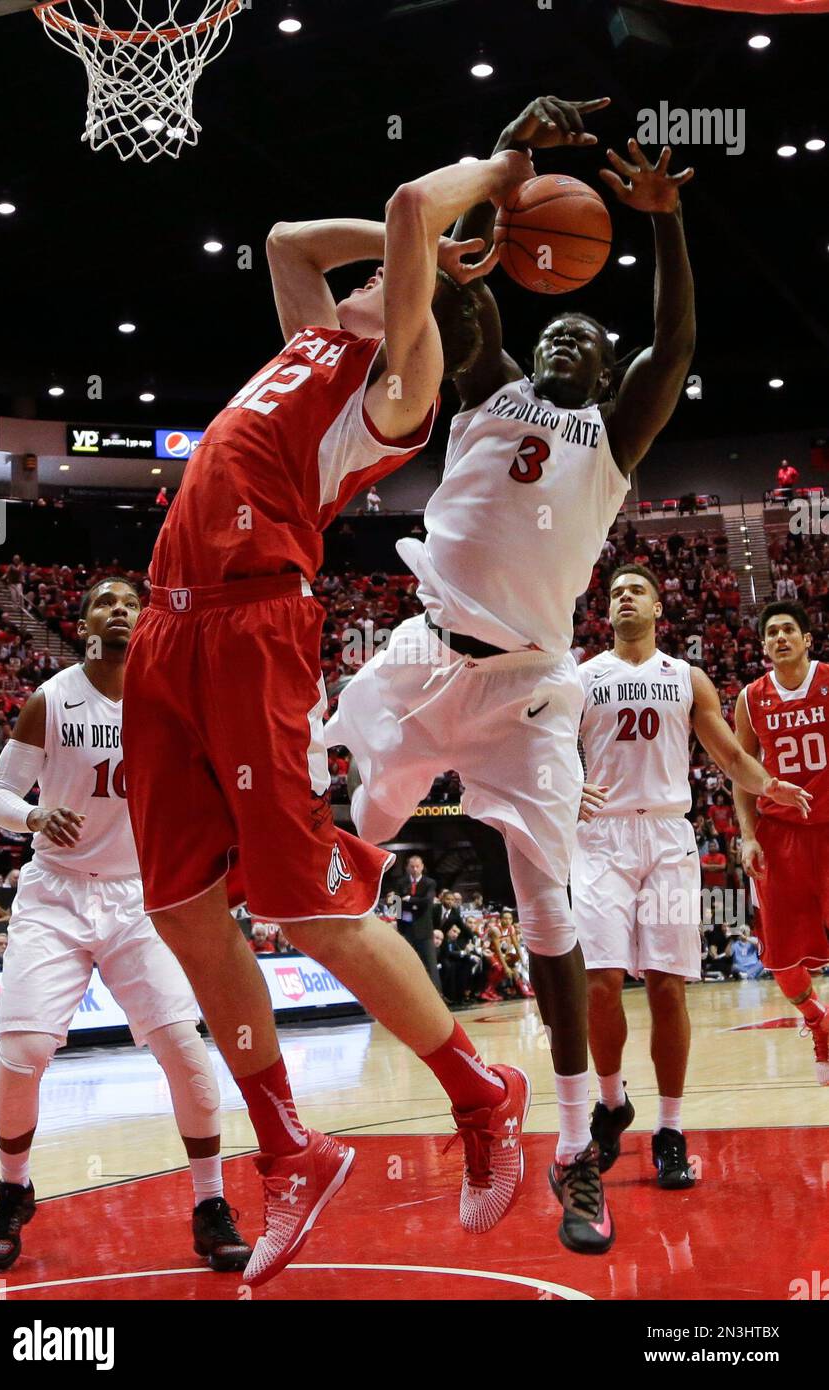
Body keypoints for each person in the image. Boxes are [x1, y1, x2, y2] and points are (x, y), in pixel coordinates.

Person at [122, 151, 536, 1289]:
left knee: (304, 907)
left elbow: (407, 210)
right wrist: (419, 251)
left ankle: (480, 1093)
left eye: (384, 278)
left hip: (252, 629)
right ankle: (292, 1149)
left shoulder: (393, 392)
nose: (358, 276)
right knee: (178, 911)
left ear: (414, 307)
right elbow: (287, 241)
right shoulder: (315, 342)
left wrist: (491, 179)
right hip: (165, 630)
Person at [326, 91, 696, 1255]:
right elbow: (445, 276)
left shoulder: (618, 434)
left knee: (551, 917)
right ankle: (336, 929)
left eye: (588, 336)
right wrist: (509, 157)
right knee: (350, 836)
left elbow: (671, 345)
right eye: (557, 328)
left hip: (530, 688)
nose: (567, 340)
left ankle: (577, 1149)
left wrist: (662, 224)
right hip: (424, 653)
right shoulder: (484, 381)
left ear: (605, 363)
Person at [0, 577, 251, 1274]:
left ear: (148, 621)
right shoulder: (54, 699)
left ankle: (211, 1205)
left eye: (132, 601)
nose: (120, 609)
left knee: (186, 1051)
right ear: (86, 621)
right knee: (22, 1056)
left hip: (138, 898)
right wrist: (34, 815)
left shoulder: (172, 700)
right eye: (105, 601)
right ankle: (14, 1189)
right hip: (56, 894)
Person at [575, 566, 806, 1187]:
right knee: (598, 982)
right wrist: (563, 789)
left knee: (667, 987)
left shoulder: (686, 677)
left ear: (658, 607)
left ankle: (671, 1129)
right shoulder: (581, 677)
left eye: (636, 590)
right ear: (609, 611)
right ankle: (611, 1098)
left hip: (669, 837)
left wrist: (769, 784)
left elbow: (731, 756)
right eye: (615, 591)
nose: (624, 597)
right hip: (601, 837)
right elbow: (541, 748)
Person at [733, 601, 827, 1082]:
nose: (781, 637)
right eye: (772, 632)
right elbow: (740, 770)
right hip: (780, 837)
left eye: (790, 629)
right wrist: (748, 836)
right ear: (765, 645)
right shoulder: (750, 698)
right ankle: (818, 1022)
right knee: (781, 958)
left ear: (808, 638)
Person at [394, 854, 440, 989]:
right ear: (407, 867)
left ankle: (438, 994)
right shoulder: (400, 883)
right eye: (412, 866)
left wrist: (409, 900)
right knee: (408, 964)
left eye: (417, 866)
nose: (414, 869)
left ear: (422, 867)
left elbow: (427, 902)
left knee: (430, 964)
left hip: (423, 930)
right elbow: (397, 904)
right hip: (406, 929)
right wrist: (413, 903)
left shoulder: (429, 883)